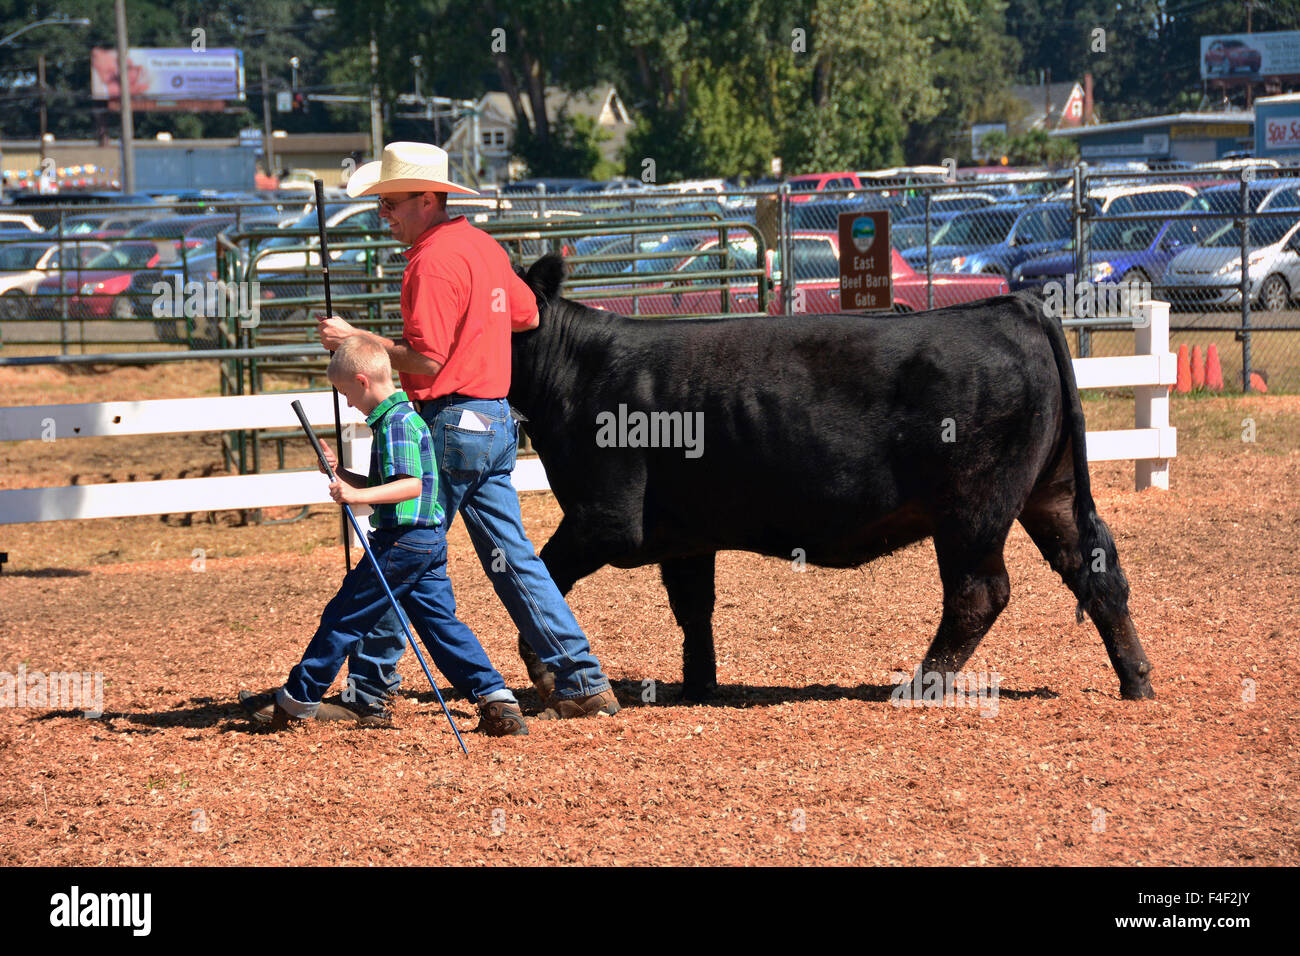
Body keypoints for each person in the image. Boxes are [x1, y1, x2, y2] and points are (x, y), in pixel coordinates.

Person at [317, 141, 619, 721]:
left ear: (428, 199)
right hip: (495, 422)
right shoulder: (484, 248)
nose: (385, 215)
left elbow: (426, 363)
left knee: (403, 547)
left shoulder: (430, 262)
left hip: (447, 424)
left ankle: (370, 689)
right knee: (515, 558)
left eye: (393, 203)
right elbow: (529, 313)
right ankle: (581, 679)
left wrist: (358, 339)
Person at [238, 336, 527, 736]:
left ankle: (295, 701)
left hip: (401, 543)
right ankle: (497, 700)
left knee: (343, 618)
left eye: (345, 393)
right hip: (425, 543)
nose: (348, 403)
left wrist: (355, 495)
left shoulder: (396, 424)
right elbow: (388, 483)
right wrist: (340, 474)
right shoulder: (405, 419)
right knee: (441, 625)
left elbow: (409, 486)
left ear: (362, 381)